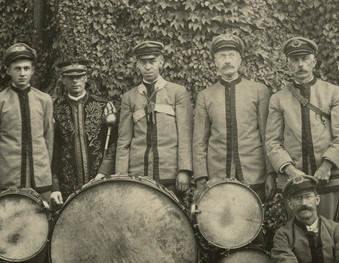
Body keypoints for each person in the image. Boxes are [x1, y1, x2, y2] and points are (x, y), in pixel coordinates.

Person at [265, 36, 339, 220]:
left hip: (327, 178)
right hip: (294, 179)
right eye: (295, 60)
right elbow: (273, 142)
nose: (301, 65)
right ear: (288, 64)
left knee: (327, 232)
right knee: (297, 235)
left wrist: (326, 165)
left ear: (314, 61)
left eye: (305, 59)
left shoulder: (333, 93)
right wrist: (290, 170)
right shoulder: (278, 99)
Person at [192, 33, 276, 202]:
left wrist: (270, 173)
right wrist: (201, 176)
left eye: (232, 56)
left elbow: (267, 136)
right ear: (215, 62)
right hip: (218, 177)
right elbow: (199, 141)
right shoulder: (205, 96)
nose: (227, 61)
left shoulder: (258, 91)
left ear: (240, 60)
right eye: (222, 56)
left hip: (254, 174)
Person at [115, 40, 192, 196]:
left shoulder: (177, 92)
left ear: (161, 62)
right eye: (143, 62)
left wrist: (184, 170)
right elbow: (124, 141)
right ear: (137, 64)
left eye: (152, 61)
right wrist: (121, 176)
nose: (148, 67)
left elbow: (185, 136)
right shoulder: (129, 97)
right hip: (137, 177)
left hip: (169, 175)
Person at [0, 43, 55, 200]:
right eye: (17, 68)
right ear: (9, 71)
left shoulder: (44, 100)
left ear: (33, 70)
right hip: (8, 182)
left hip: (40, 181)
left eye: (26, 68)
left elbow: (48, 140)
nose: (22, 73)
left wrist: (43, 170)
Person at [50, 57, 118, 205]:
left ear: (86, 78)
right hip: (67, 187)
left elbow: (113, 144)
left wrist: (104, 172)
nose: (75, 81)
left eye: (79, 77)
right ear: (63, 79)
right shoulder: (55, 110)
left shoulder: (103, 107)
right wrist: (55, 185)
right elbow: (52, 150)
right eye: (70, 77)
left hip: (99, 182)